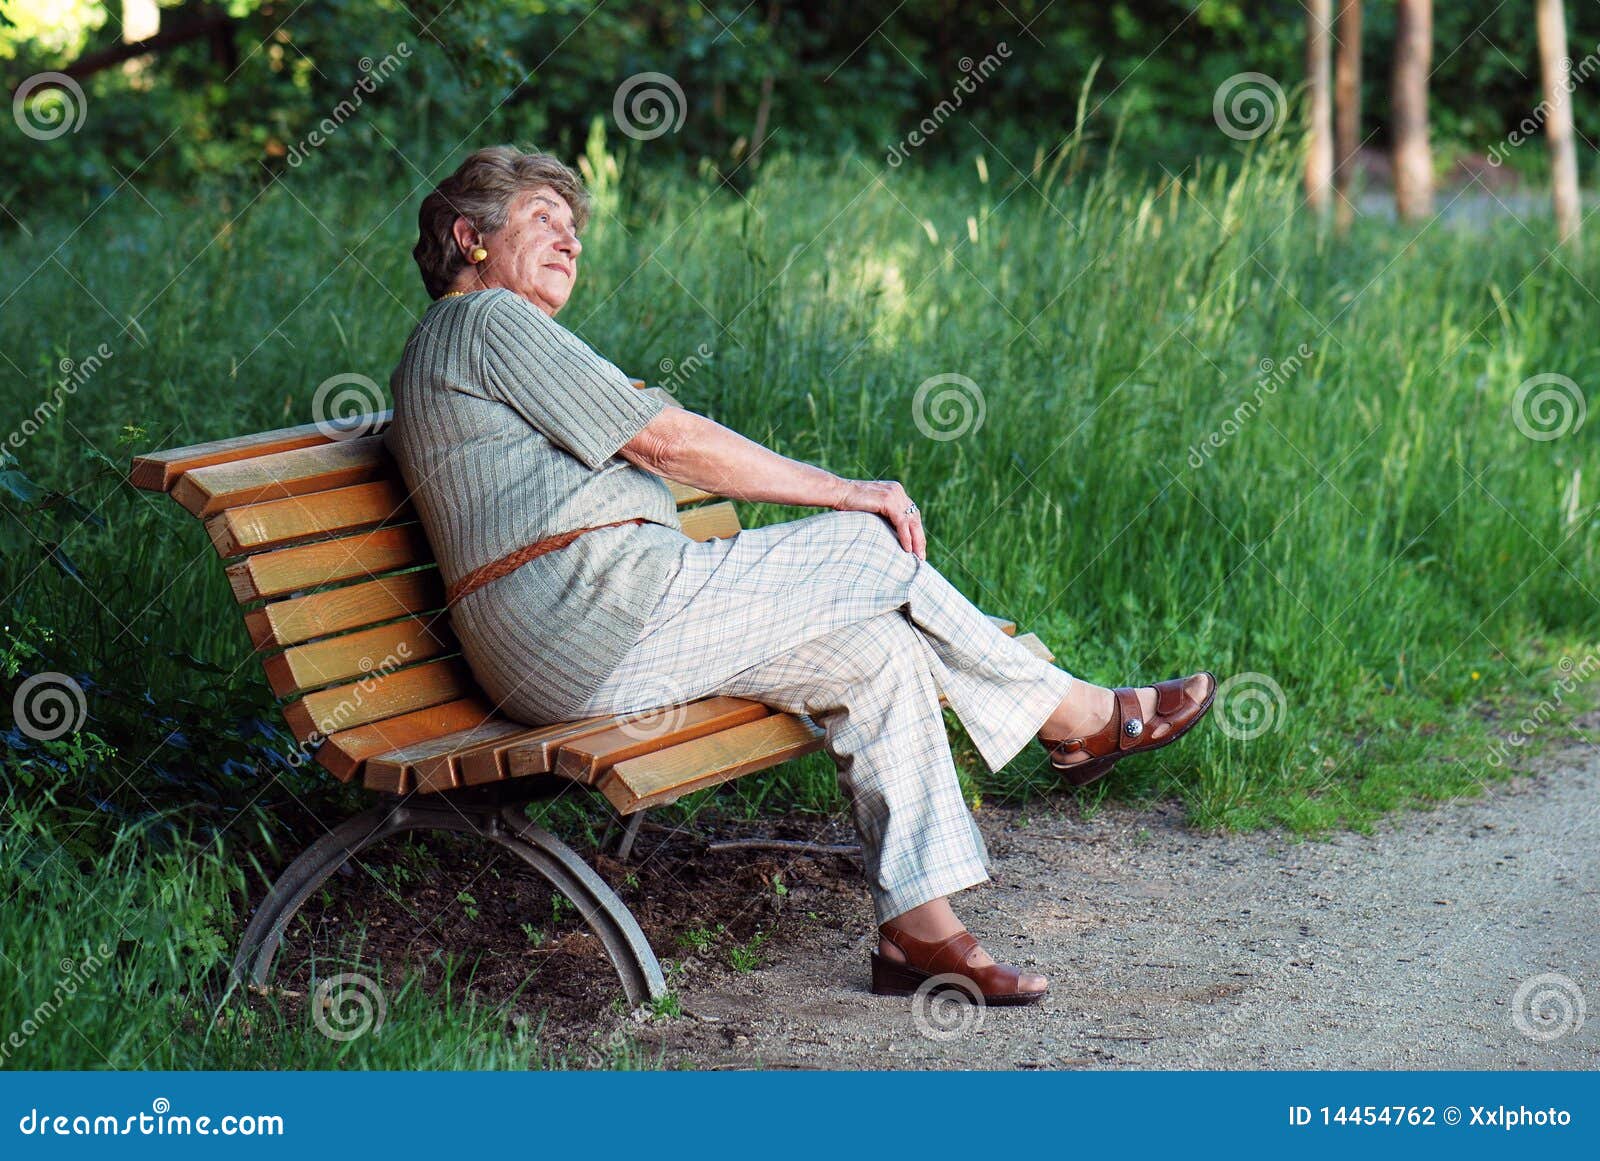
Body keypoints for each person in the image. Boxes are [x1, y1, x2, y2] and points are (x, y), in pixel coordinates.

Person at [386, 146, 1216, 1006]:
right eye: (540, 219)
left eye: (574, 227)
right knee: (869, 546)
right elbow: (666, 443)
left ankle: (917, 933)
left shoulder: (494, 343)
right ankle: (1077, 716)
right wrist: (850, 492)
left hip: (596, 620)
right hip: (583, 617)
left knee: (873, 651)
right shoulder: (482, 322)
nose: (569, 240)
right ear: (468, 236)